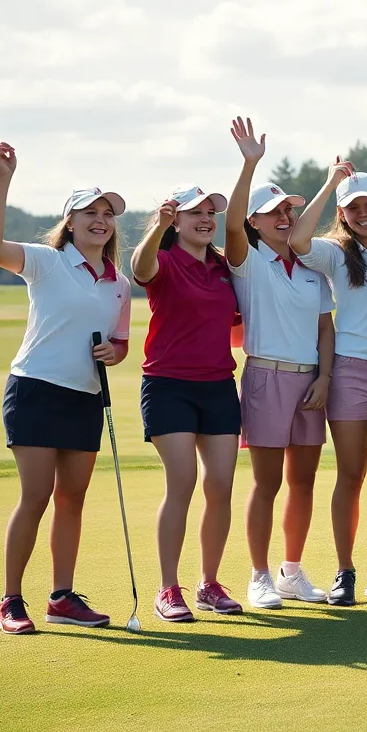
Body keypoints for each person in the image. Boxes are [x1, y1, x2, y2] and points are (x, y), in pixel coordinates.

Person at [0, 128, 131, 634]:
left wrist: (115, 352)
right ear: (71, 221)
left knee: (73, 498)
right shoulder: (44, 262)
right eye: (91, 212)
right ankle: (11, 600)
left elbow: (121, 343)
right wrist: (4, 181)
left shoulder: (119, 284)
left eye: (109, 214)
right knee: (37, 494)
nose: (101, 220)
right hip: (36, 389)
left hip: (85, 397)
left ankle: (62, 596)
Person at [289, 162, 367, 607]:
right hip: (350, 372)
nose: (363, 213)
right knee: (352, 473)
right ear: (342, 214)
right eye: (353, 207)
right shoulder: (338, 253)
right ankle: (345, 571)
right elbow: (297, 240)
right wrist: (329, 184)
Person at [223, 117, 335, 610]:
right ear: (255, 222)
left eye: (288, 209)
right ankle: (260, 576)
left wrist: (327, 377)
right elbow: (229, 224)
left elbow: (325, 329)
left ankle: (292, 571)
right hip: (266, 377)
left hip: (311, 380)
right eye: (273, 213)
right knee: (266, 483)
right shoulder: (246, 260)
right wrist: (250, 164)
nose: (285, 217)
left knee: (303, 481)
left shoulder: (311, 267)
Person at [132, 182, 242, 622]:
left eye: (210, 213)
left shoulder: (224, 266)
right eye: (194, 212)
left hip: (218, 385)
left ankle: (209, 585)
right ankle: (168, 589)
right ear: (175, 220)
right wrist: (156, 229)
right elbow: (139, 270)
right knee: (182, 481)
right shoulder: (163, 260)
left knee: (221, 485)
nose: (205, 219)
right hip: (168, 384)